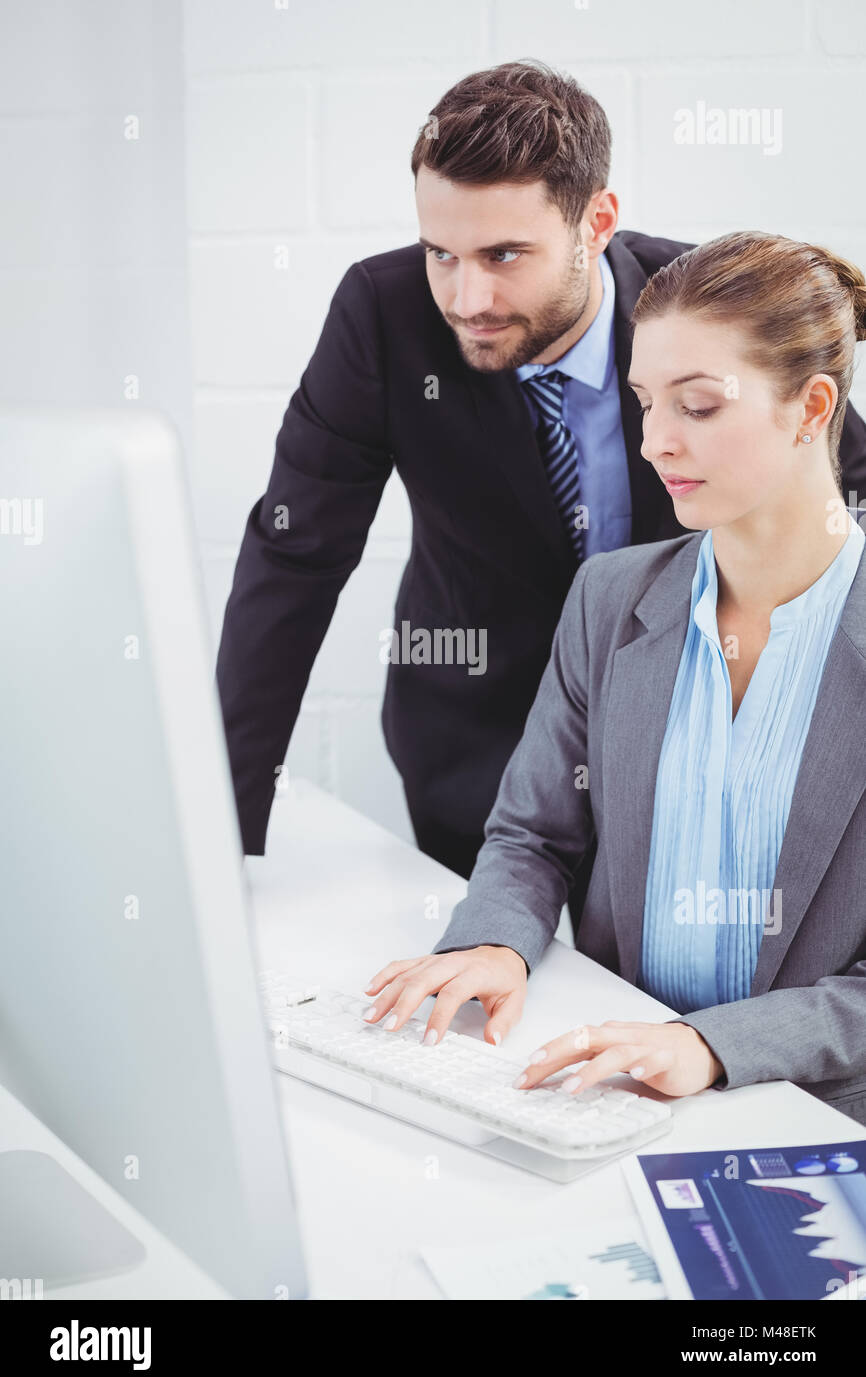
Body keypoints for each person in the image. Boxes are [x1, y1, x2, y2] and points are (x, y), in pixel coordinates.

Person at [215, 61, 866, 944]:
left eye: (504, 256)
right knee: (486, 1000)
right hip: (469, 743)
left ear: (596, 221)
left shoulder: (691, 308)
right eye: (441, 253)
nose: (467, 298)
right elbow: (295, 554)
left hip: (668, 750)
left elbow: (846, 483)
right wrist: (221, 822)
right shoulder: (385, 313)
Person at [363, 230, 866, 1126]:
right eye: (644, 402)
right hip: (617, 1090)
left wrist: (712, 1046)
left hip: (812, 1116)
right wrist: (496, 943)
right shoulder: (612, 598)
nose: (654, 443)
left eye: (699, 406)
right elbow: (532, 836)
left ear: (810, 407)